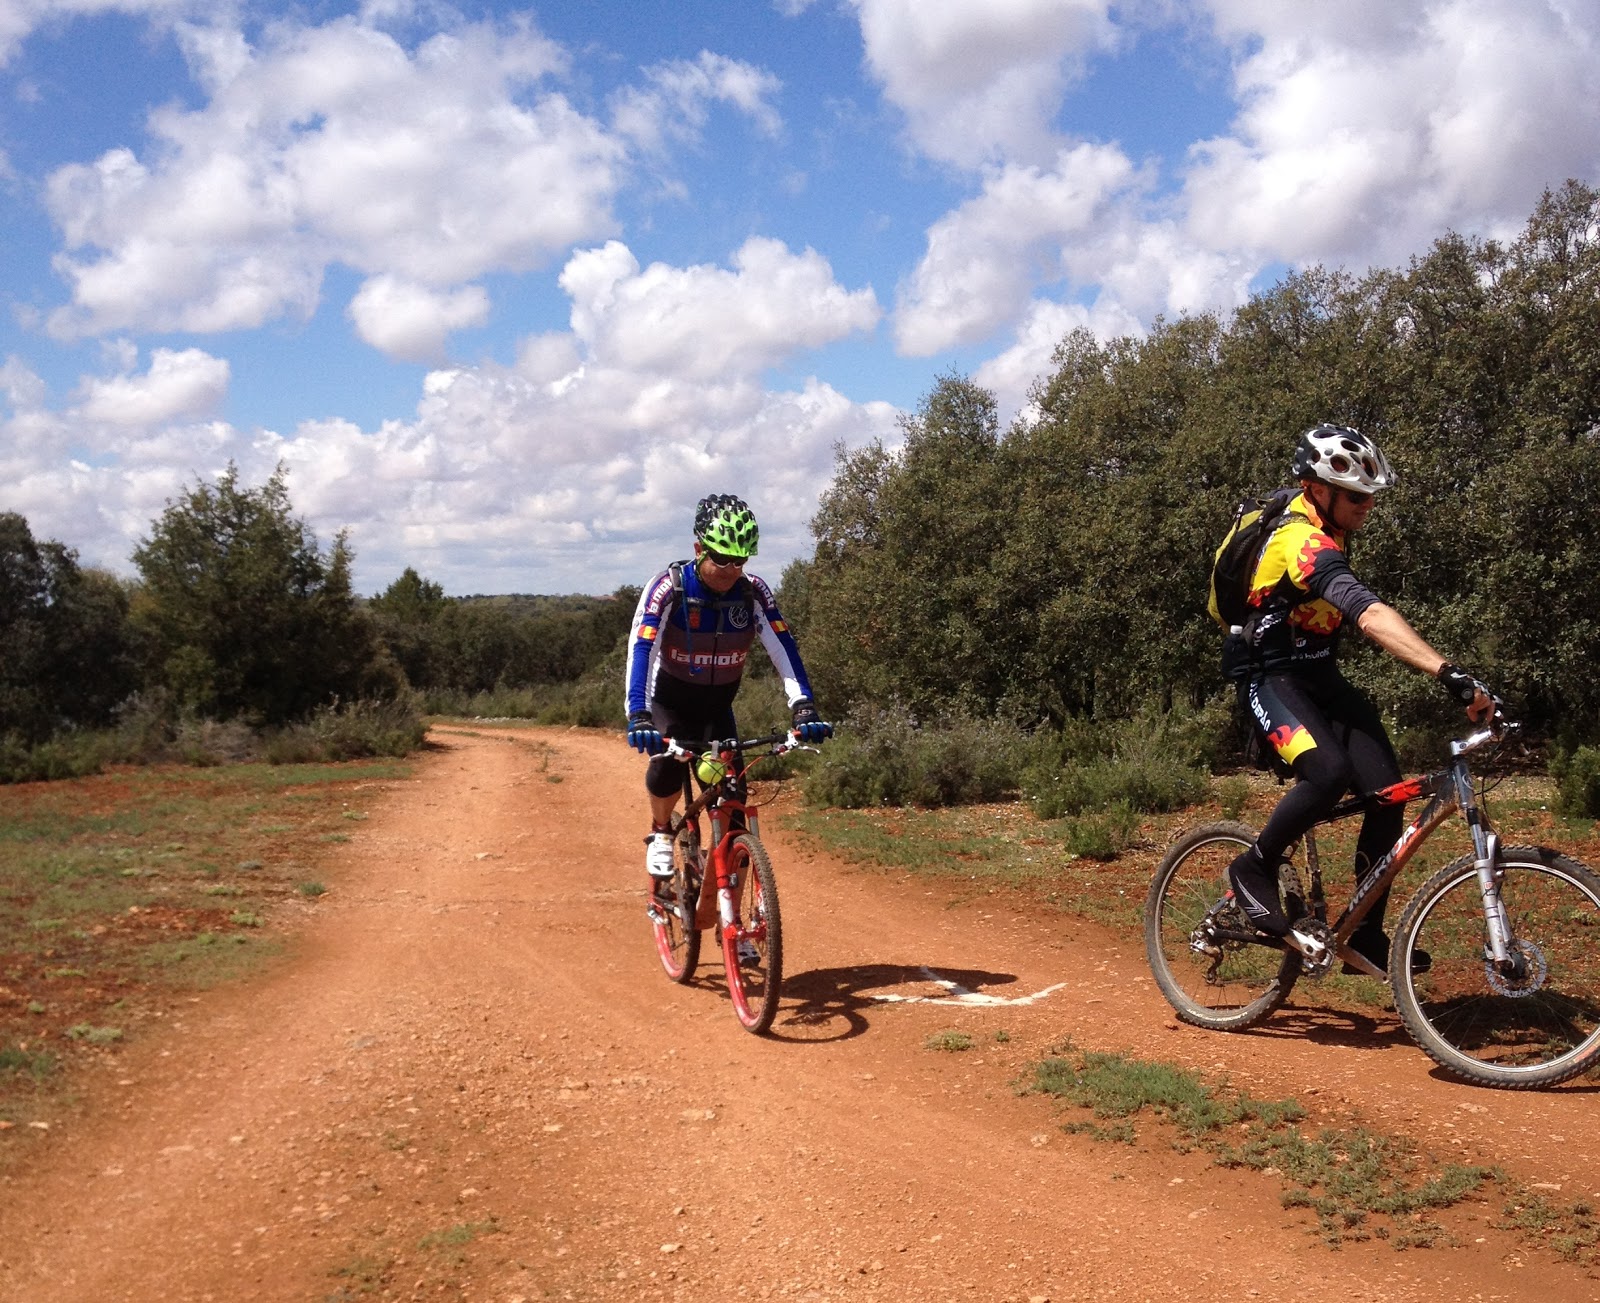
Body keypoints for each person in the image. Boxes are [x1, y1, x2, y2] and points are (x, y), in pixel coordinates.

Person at [1222, 424, 1493, 972]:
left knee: (1389, 794)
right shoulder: (1299, 541)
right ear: (1317, 489)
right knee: (1327, 772)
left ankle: (1364, 931)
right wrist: (1450, 673)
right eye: (1356, 496)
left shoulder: (1334, 527)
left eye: (1372, 496)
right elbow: (1367, 614)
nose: (1367, 506)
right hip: (1269, 678)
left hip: (1319, 677)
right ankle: (1253, 867)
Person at [623, 493, 832, 894]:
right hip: (670, 702)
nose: (732, 569)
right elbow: (642, 648)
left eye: (741, 560)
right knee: (668, 763)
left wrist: (803, 706)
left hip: (718, 707)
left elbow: (783, 647)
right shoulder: (670, 588)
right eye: (723, 558)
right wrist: (639, 713)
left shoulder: (752, 592)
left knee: (734, 806)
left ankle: (736, 920)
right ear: (699, 547)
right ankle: (662, 832)